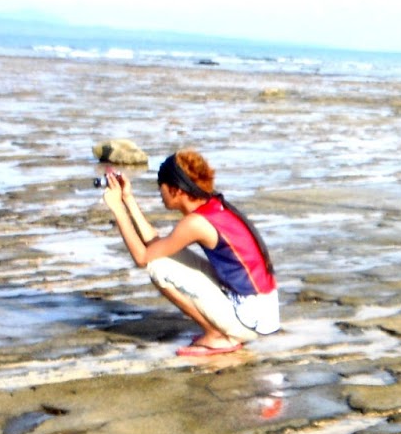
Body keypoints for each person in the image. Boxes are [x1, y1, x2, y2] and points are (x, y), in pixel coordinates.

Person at [101, 150, 279, 357]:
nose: (160, 194)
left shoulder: (196, 223)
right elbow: (156, 246)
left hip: (250, 322)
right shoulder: (213, 206)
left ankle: (216, 335)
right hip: (260, 312)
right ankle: (219, 331)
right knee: (161, 256)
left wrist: (117, 210)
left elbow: (142, 258)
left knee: (157, 267)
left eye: (162, 188)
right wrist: (127, 199)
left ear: (176, 191)